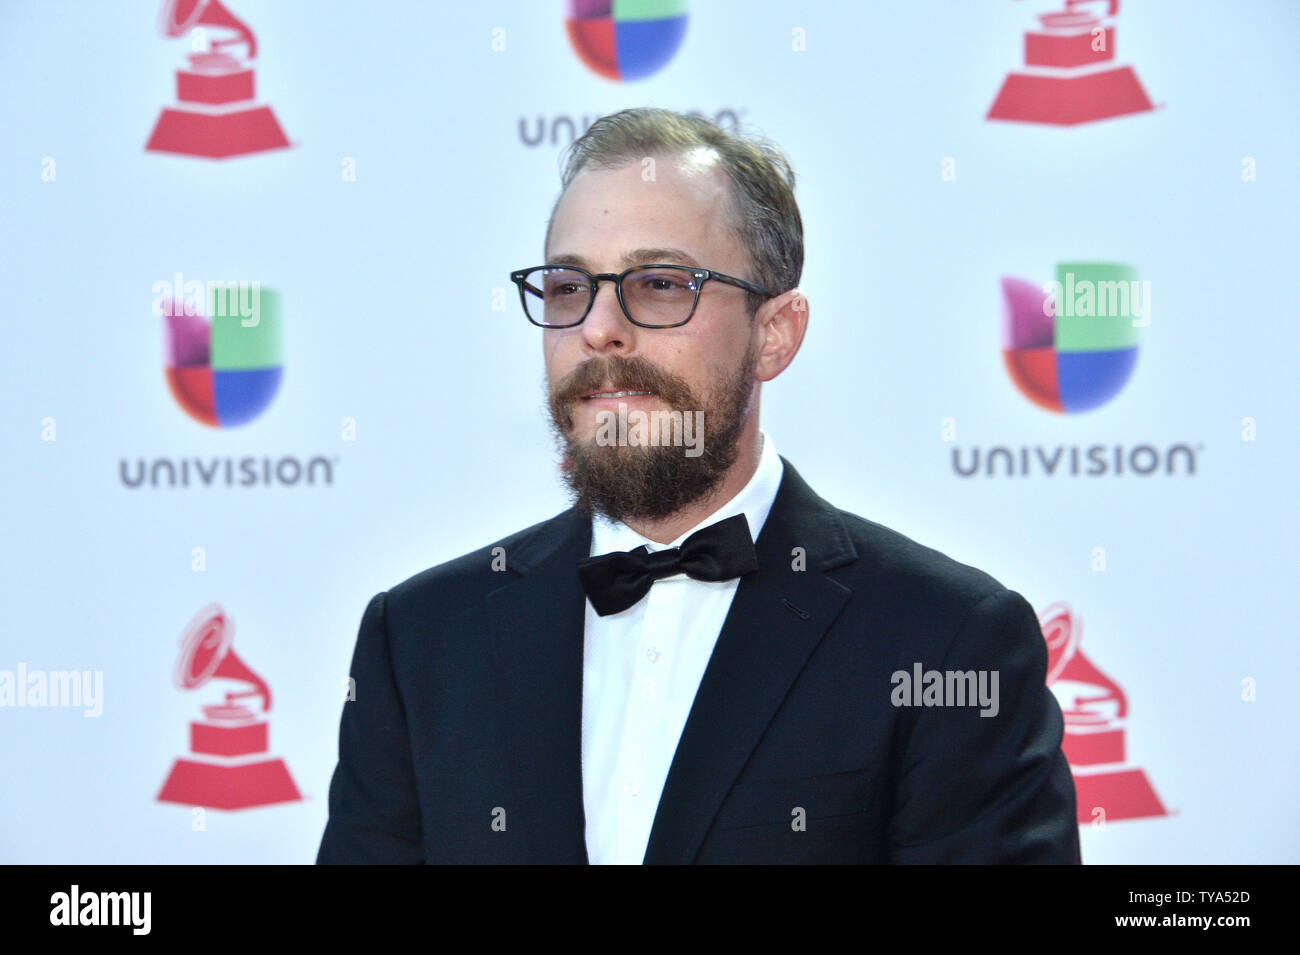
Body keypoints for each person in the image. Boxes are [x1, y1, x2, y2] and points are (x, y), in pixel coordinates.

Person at [316, 107, 1081, 864]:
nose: (598, 328)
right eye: (566, 287)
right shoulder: (419, 638)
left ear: (774, 333)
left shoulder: (944, 640)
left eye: (657, 283)